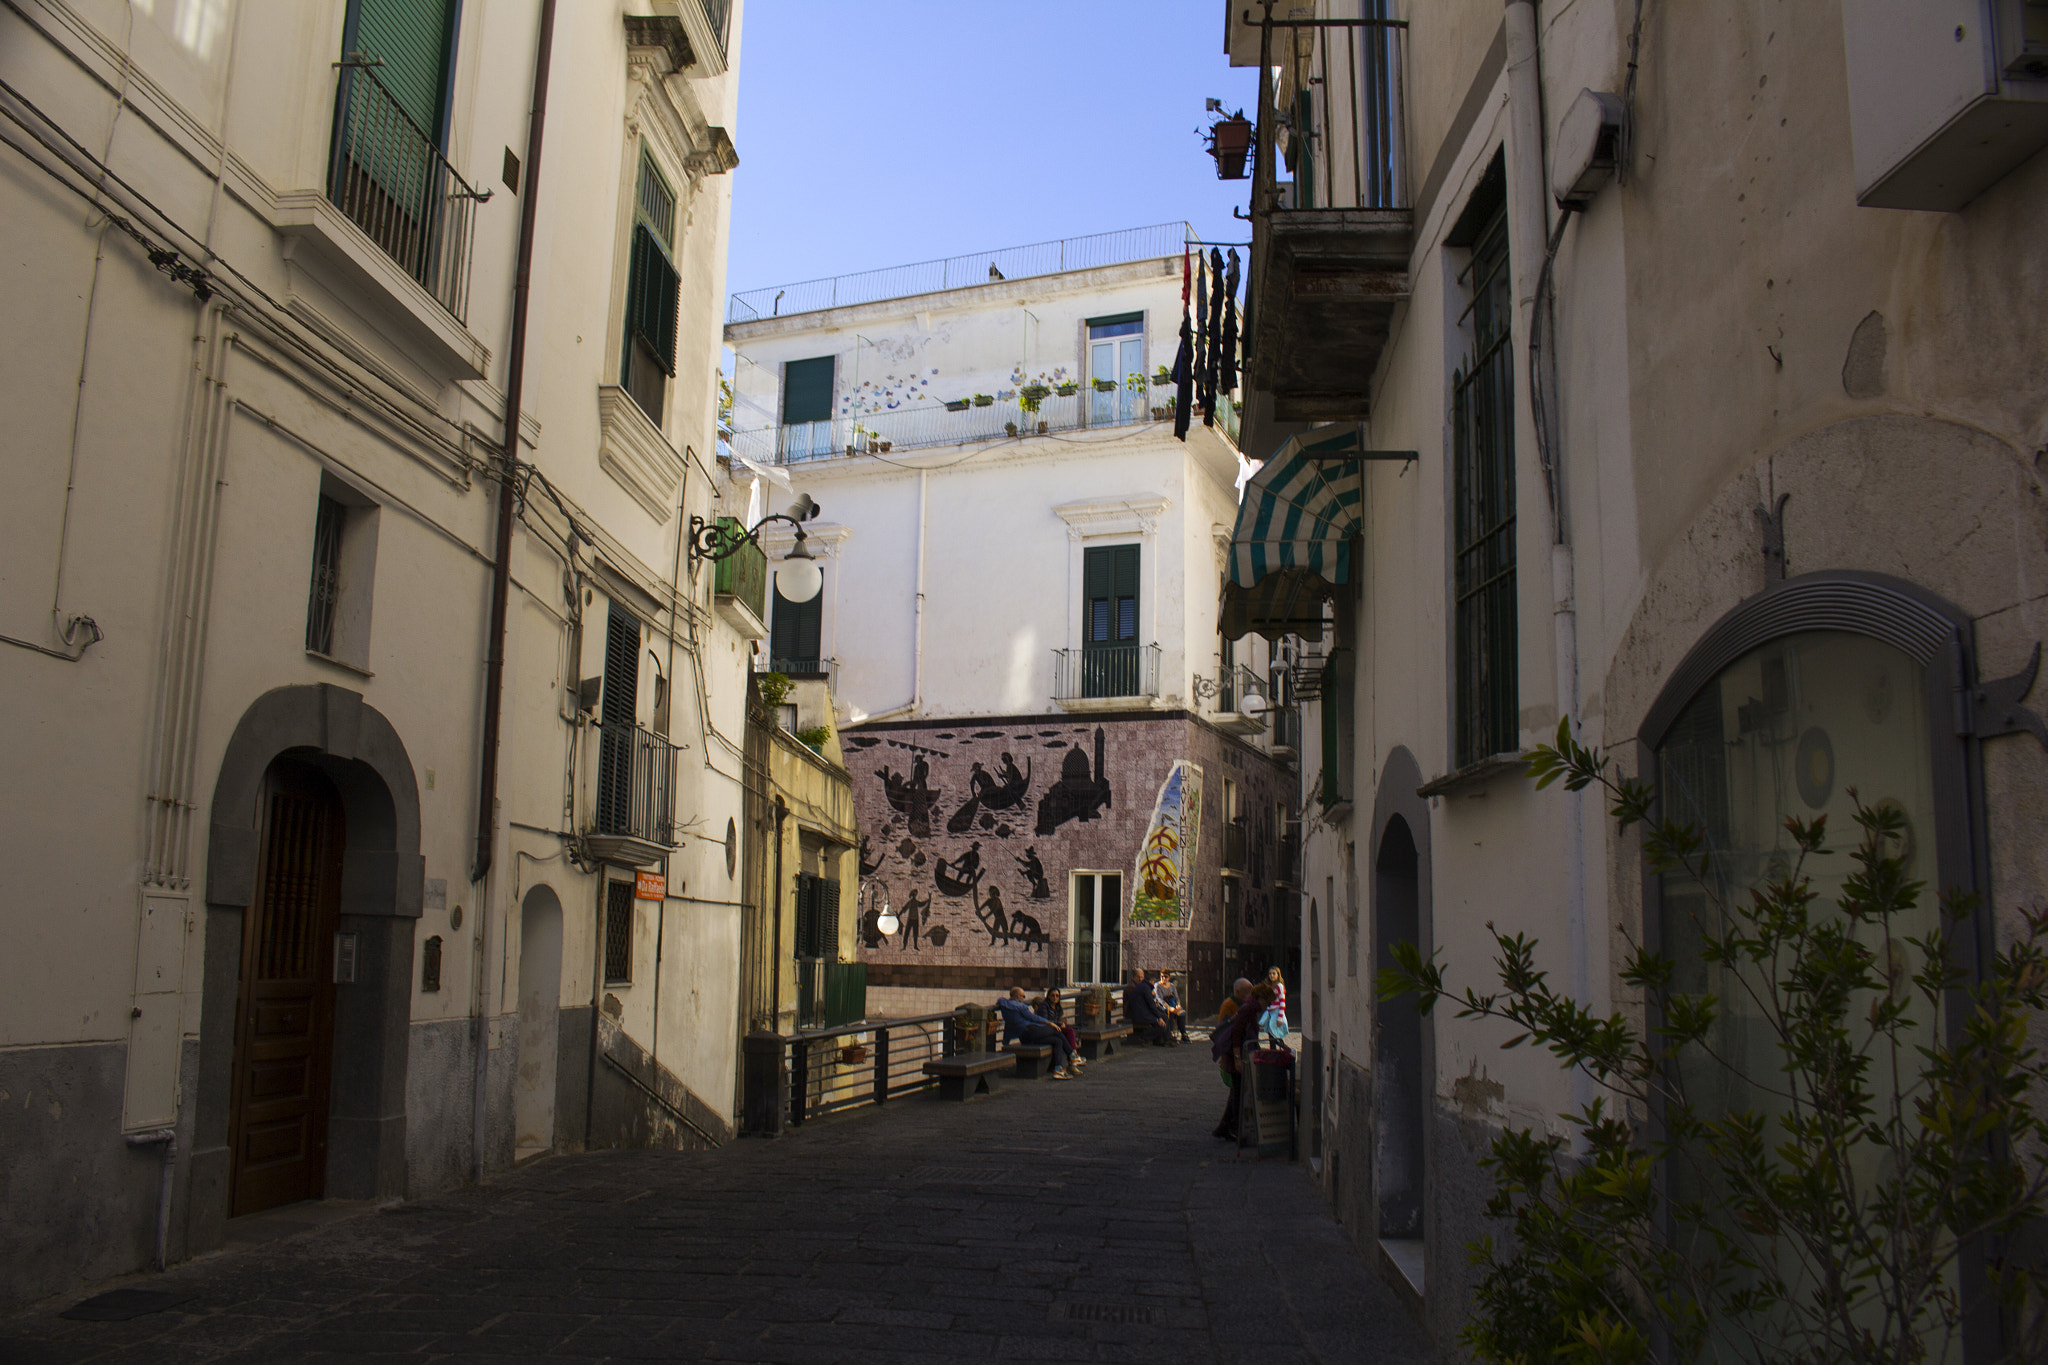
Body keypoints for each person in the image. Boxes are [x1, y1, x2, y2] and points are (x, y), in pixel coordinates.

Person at [995, 987, 1079, 1078]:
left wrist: (1005, 1042)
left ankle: (1058, 1069)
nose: (1024, 999)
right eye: (1023, 996)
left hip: (1025, 1038)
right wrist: (1049, 1023)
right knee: (1056, 1029)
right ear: (1017, 996)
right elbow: (1033, 1017)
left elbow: (1001, 1003)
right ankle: (1072, 1055)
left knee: (1057, 1041)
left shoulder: (1004, 1005)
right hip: (1030, 1031)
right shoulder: (1020, 1006)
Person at [1210, 978, 1256, 1139]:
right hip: (1232, 1053)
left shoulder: (1244, 1005)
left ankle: (1225, 1125)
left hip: (1236, 1053)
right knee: (1236, 1091)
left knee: (1236, 1091)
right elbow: (1224, 1031)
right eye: (1247, 991)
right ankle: (1230, 1126)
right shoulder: (1229, 1005)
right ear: (1238, 992)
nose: (1250, 994)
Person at [1123, 968, 1175, 1046]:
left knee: (1163, 1016)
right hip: (1137, 1014)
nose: (1140, 979)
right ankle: (1146, 1038)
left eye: (1142, 977)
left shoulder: (1142, 986)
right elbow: (1149, 1004)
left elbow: (1148, 1003)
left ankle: (1165, 1039)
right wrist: (1158, 1018)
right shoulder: (1136, 988)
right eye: (1138, 977)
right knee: (1161, 1022)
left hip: (1142, 1012)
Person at [1040, 986, 1082, 1055]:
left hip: (1057, 1028)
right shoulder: (1044, 1006)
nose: (1055, 998)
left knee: (1069, 1031)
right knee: (1068, 1032)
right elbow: (1045, 1020)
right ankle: (1073, 1054)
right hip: (1048, 1029)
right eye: (1052, 995)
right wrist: (1059, 1024)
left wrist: (1062, 1024)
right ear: (1048, 996)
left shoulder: (1058, 1007)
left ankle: (1072, 1055)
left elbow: (1058, 1019)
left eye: (1057, 996)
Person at [1154, 971, 1191, 1042]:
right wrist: (1169, 1008)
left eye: (1166, 977)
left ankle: (1183, 1033)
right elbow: (1160, 999)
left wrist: (1178, 1005)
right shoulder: (1157, 985)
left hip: (1172, 1002)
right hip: (1162, 1005)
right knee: (1169, 1013)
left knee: (1181, 1013)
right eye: (1162, 977)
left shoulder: (1172, 986)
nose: (1164, 978)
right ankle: (1170, 1033)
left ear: (1169, 978)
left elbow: (1176, 997)